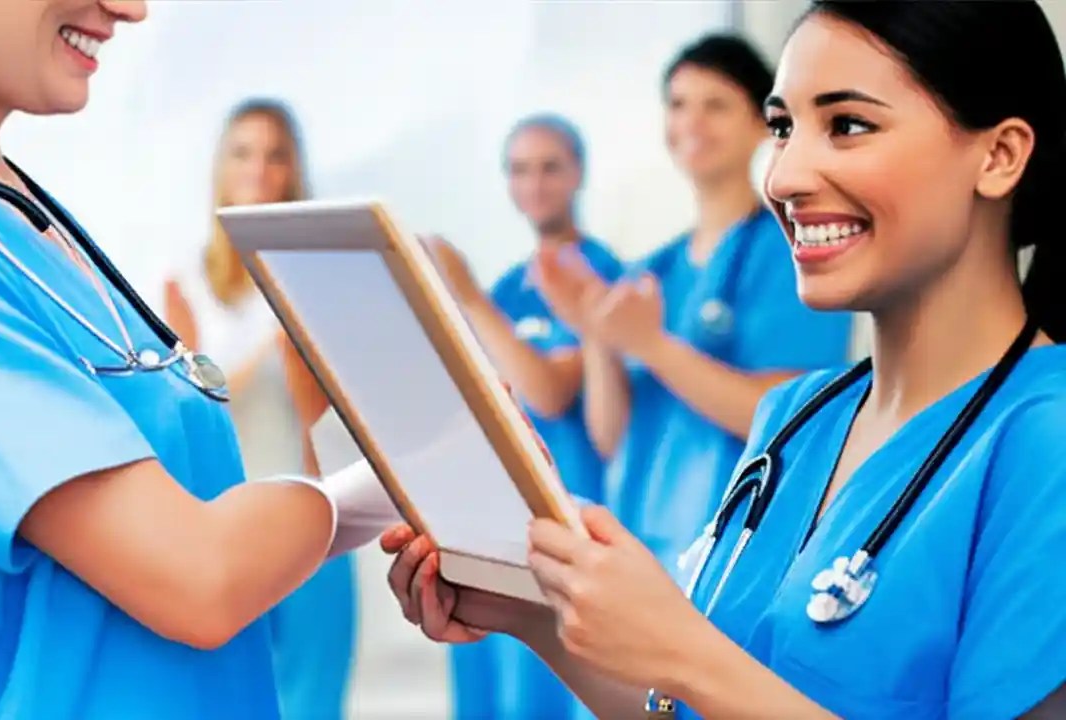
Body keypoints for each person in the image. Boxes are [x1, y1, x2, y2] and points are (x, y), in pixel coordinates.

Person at [384, 1, 1066, 718]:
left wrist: (681, 651)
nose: (784, 176)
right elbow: (681, 705)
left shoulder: (1042, 440)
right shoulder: (796, 419)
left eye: (848, 125)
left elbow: (696, 673)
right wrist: (533, 611)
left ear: (1000, 156)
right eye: (783, 128)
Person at [0, 1, 401, 717]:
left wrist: (398, 487)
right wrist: (387, 484)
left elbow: (145, 549)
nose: (130, 8)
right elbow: (197, 575)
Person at [534, 34, 852, 581]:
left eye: (716, 105)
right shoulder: (648, 274)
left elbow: (790, 418)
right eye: (678, 104)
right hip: (643, 555)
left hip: (741, 554)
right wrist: (597, 336)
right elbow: (613, 437)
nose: (692, 122)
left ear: (763, 124)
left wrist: (651, 346)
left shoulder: (794, 258)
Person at [424, 114, 623, 720]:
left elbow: (549, 392)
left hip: (570, 523)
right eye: (520, 169)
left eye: (549, 167)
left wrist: (465, 295)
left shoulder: (603, 275)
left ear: (578, 174)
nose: (534, 184)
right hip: (500, 534)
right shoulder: (510, 287)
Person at [162, 98, 357, 720]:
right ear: (222, 167)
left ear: (293, 171)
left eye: (276, 155)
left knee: (311, 705)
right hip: (222, 523)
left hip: (311, 522)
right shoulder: (184, 282)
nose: (259, 169)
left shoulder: (318, 278)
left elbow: (322, 419)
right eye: (243, 152)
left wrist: (295, 335)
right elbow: (186, 410)